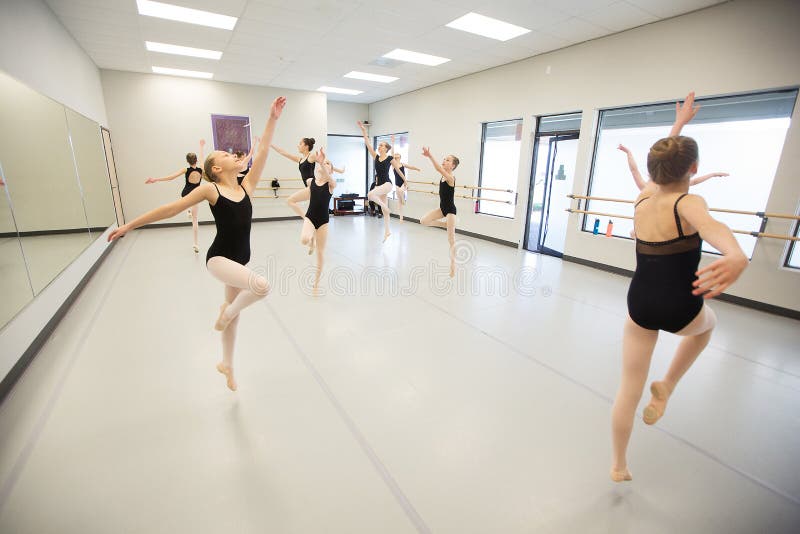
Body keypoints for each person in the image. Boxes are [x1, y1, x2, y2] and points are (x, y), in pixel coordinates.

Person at [610, 92, 748, 482]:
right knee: (710, 325)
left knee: (628, 389)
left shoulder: (643, 198)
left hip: (639, 304)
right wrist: (736, 254)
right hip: (680, 308)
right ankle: (668, 384)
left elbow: (662, 171)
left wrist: (678, 126)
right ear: (695, 168)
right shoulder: (688, 202)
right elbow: (712, 227)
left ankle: (618, 465)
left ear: (653, 171)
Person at [110, 97, 287, 392]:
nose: (233, 155)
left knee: (236, 317)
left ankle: (227, 365)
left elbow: (265, 148)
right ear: (216, 168)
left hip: (239, 261)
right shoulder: (210, 189)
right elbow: (171, 209)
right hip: (219, 259)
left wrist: (273, 118)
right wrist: (129, 225)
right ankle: (225, 314)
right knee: (260, 287)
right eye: (225, 155)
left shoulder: (247, 186)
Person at [286, 148, 336, 294]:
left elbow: (329, 177)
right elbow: (304, 171)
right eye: (324, 163)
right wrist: (315, 162)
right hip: (310, 217)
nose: (324, 164)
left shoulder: (331, 185)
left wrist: (321, 163)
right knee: (304, 240)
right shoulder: (311, 182)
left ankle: (316, 284)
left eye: (328, 164)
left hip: (323, 222)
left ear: (331, 170)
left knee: (320, 253)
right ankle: (311, 239)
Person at [144, 139, 205, 252]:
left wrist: (156, 179)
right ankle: (196, 244)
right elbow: (202, 157)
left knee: (186, 206)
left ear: (188, 161)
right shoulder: (201, 168)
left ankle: (188, 211)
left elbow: (171, 177)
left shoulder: (186, 169)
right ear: (196, 160)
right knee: (195, 220)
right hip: (196, 195)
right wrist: (201, 146)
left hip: (186, 194)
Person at [358, 122, 405, 242]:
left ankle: (385, 207)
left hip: (388, 184)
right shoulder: (376, 156)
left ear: (386, 149)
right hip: (380, 185)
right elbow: (368, 144)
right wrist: (364, 131)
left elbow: (398, 171)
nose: (379, 147)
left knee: (370, 195)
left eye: (382, 145)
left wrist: (405, 180)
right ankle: (387, 231)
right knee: (385, 211)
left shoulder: (390, 158)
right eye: (379, 145)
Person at [617, 143, 728, 192]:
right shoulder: (650, 187)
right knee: (633, 232)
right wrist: (628, 152)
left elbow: (634, 170)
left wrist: (628, 152)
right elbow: (634, 170)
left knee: (633, 232)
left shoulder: (646, 187)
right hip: (654, 220)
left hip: (657, 220)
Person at [419, 146, 460, 278]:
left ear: (452, 166)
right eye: (444, 159)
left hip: (450, 211)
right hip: (442, 209)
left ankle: (453, 265)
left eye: (448, 160)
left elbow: (438, 168)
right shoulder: (443, 177)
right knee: (423, 221)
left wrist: (430, 155)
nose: (444, 161)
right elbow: (439, 169)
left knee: (451, 240)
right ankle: (447, 225)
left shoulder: (450, 178)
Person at [271, 137, 341, 187]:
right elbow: (283, 153)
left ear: (306, 146)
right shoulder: (300, 159)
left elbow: (326, 162)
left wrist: (339, 171)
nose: (298, 146)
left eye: (300, 144)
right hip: (308, 186)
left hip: (313, 184)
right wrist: (270, 144)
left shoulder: (311, 156)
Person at [389, 135, 419, 222]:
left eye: (397, 154)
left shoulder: (402, 164)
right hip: (397, 183)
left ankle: (403, 199)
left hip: (404, 183)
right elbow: (392, 152)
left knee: (401, 192)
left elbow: (410, 166)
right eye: (395, 154)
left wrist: (416, 169)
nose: (396, 154)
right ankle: (401, 217)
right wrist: (393, 142)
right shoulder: (393, 164)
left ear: (400, 157)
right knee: (399, 202)